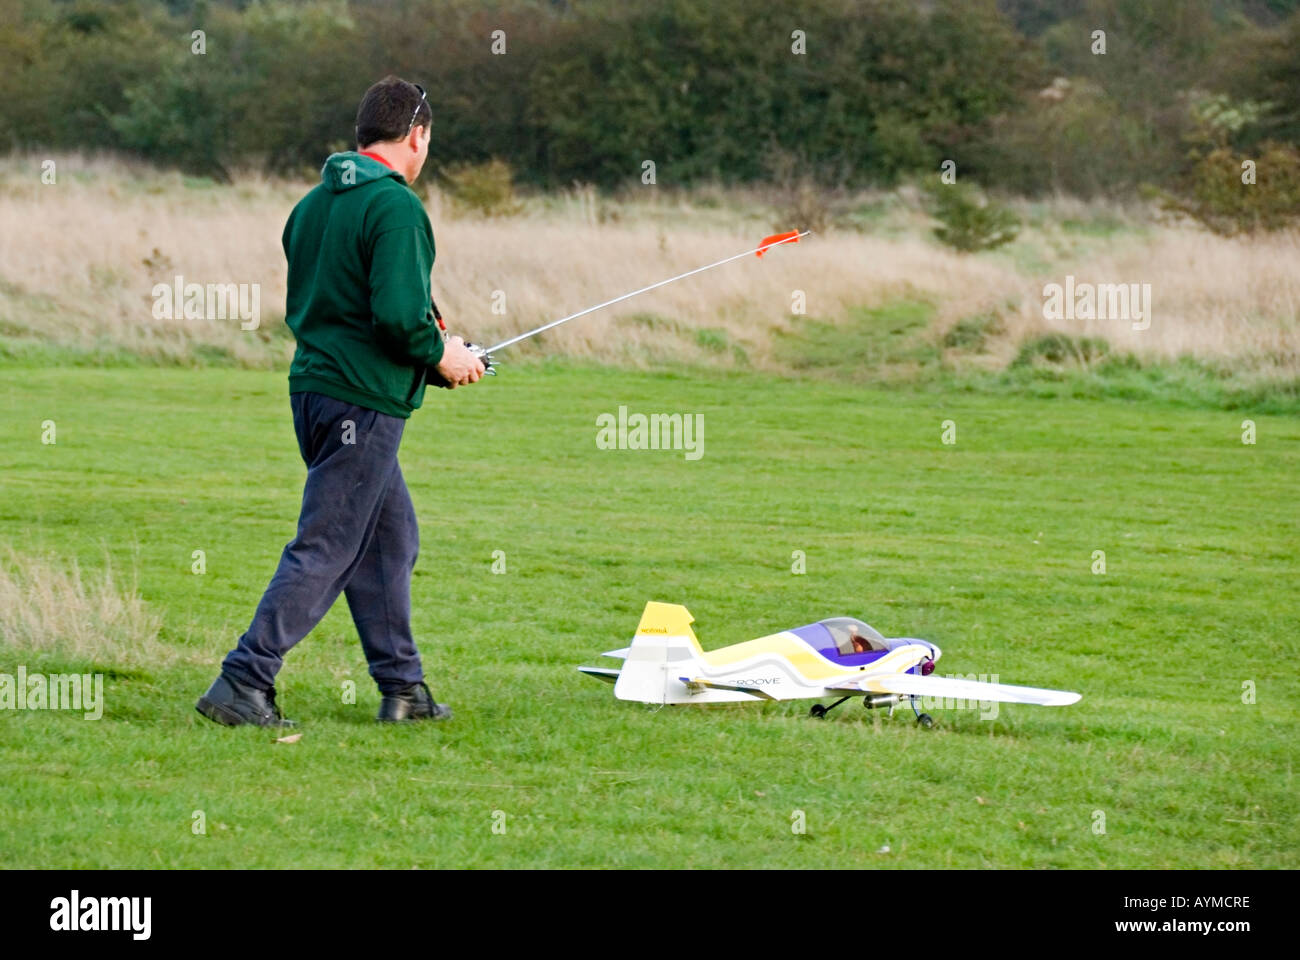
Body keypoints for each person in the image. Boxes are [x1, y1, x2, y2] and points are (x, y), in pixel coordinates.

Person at [196, 76, 484, 727]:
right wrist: (445, 356)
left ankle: (403, 691)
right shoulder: (397, 208)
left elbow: (355, 310)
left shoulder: (310, 206)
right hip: (361, 405)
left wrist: (439, 348)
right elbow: (398, 320)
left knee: (389, 540)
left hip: (315, 394)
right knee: (327, 545)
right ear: (417, 134)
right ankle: (243, 680)